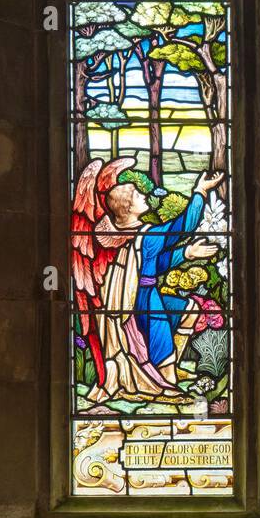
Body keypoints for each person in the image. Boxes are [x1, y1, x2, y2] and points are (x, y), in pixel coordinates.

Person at [84, 166, 223, 403]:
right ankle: (166, 381)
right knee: (161, 340)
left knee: (190, 309)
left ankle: (167, 371)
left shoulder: (132, 235)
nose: (144, 196)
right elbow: (183, 227)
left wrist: (188, 253)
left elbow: (154, 265)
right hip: (144, 300)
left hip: (145, 293)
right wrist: (199, 192)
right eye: (138, 195)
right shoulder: (146, 236)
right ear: (128, 208)